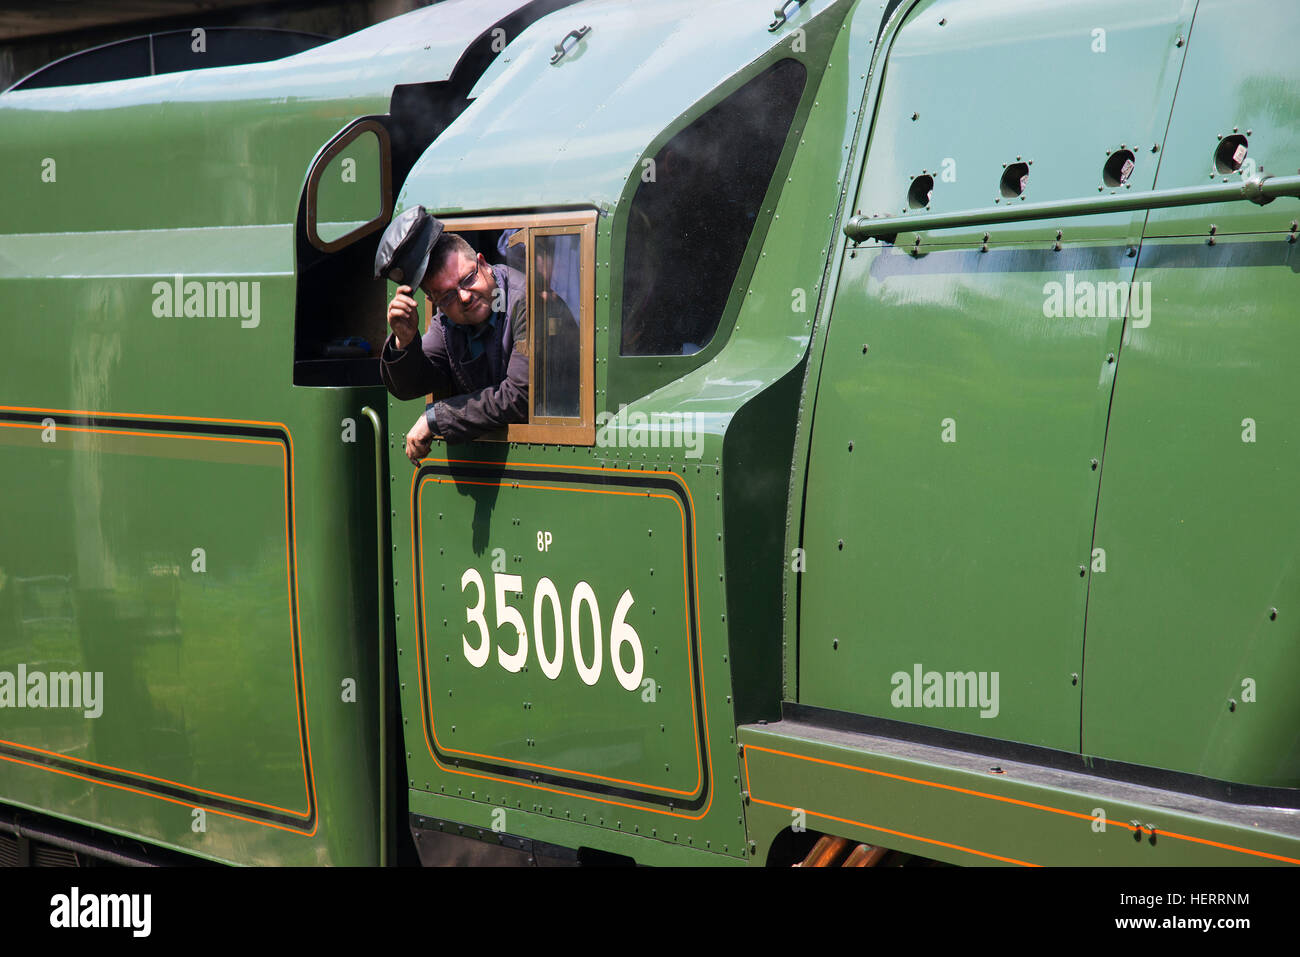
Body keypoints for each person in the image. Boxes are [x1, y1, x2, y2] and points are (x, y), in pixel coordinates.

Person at [374, 206, 528, 464]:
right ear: (433, 300)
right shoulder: (447, 322)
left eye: (468, 279)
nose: (464, 296)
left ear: (482, 263)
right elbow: (412, 386)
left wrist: (435, 418)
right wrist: (405, 341)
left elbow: (519, 396)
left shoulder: (525, 301)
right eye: (447, 295)